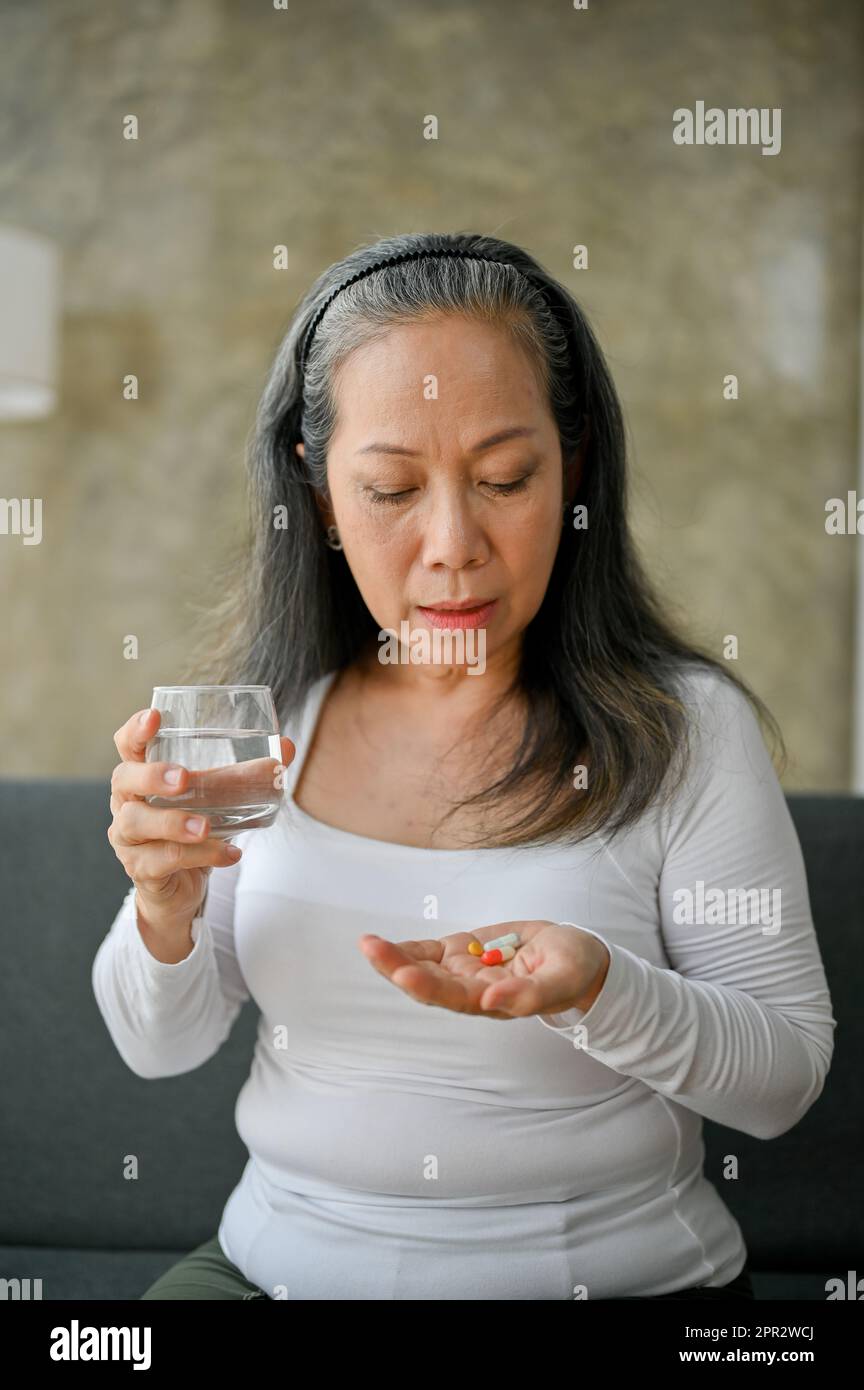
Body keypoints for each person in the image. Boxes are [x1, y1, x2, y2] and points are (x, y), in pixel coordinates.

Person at [93, 231, 835, 1301]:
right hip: (272, 1271)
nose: (453, 543)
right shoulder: (266, 724)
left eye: (504, 477)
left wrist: (603, 991)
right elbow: (158, 1047)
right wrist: (163, 906)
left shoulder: (684, 729)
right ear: (318, 494)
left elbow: (784, 1080)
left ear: (572, 466)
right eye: (392, 489)